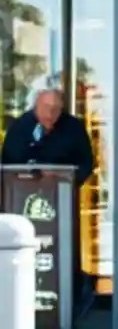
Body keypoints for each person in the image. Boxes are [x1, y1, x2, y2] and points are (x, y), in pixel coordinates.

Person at [0, 87, 97, 317]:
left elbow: (85, 163)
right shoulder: (20, 127)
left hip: (60, 203)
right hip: (22, 202)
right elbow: (8, 163)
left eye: (56, 110)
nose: (50, 115)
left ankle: (69, 305)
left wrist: (66, 178)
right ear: (36, 106)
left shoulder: (73, 128)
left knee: (63, 255)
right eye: (46, 109)